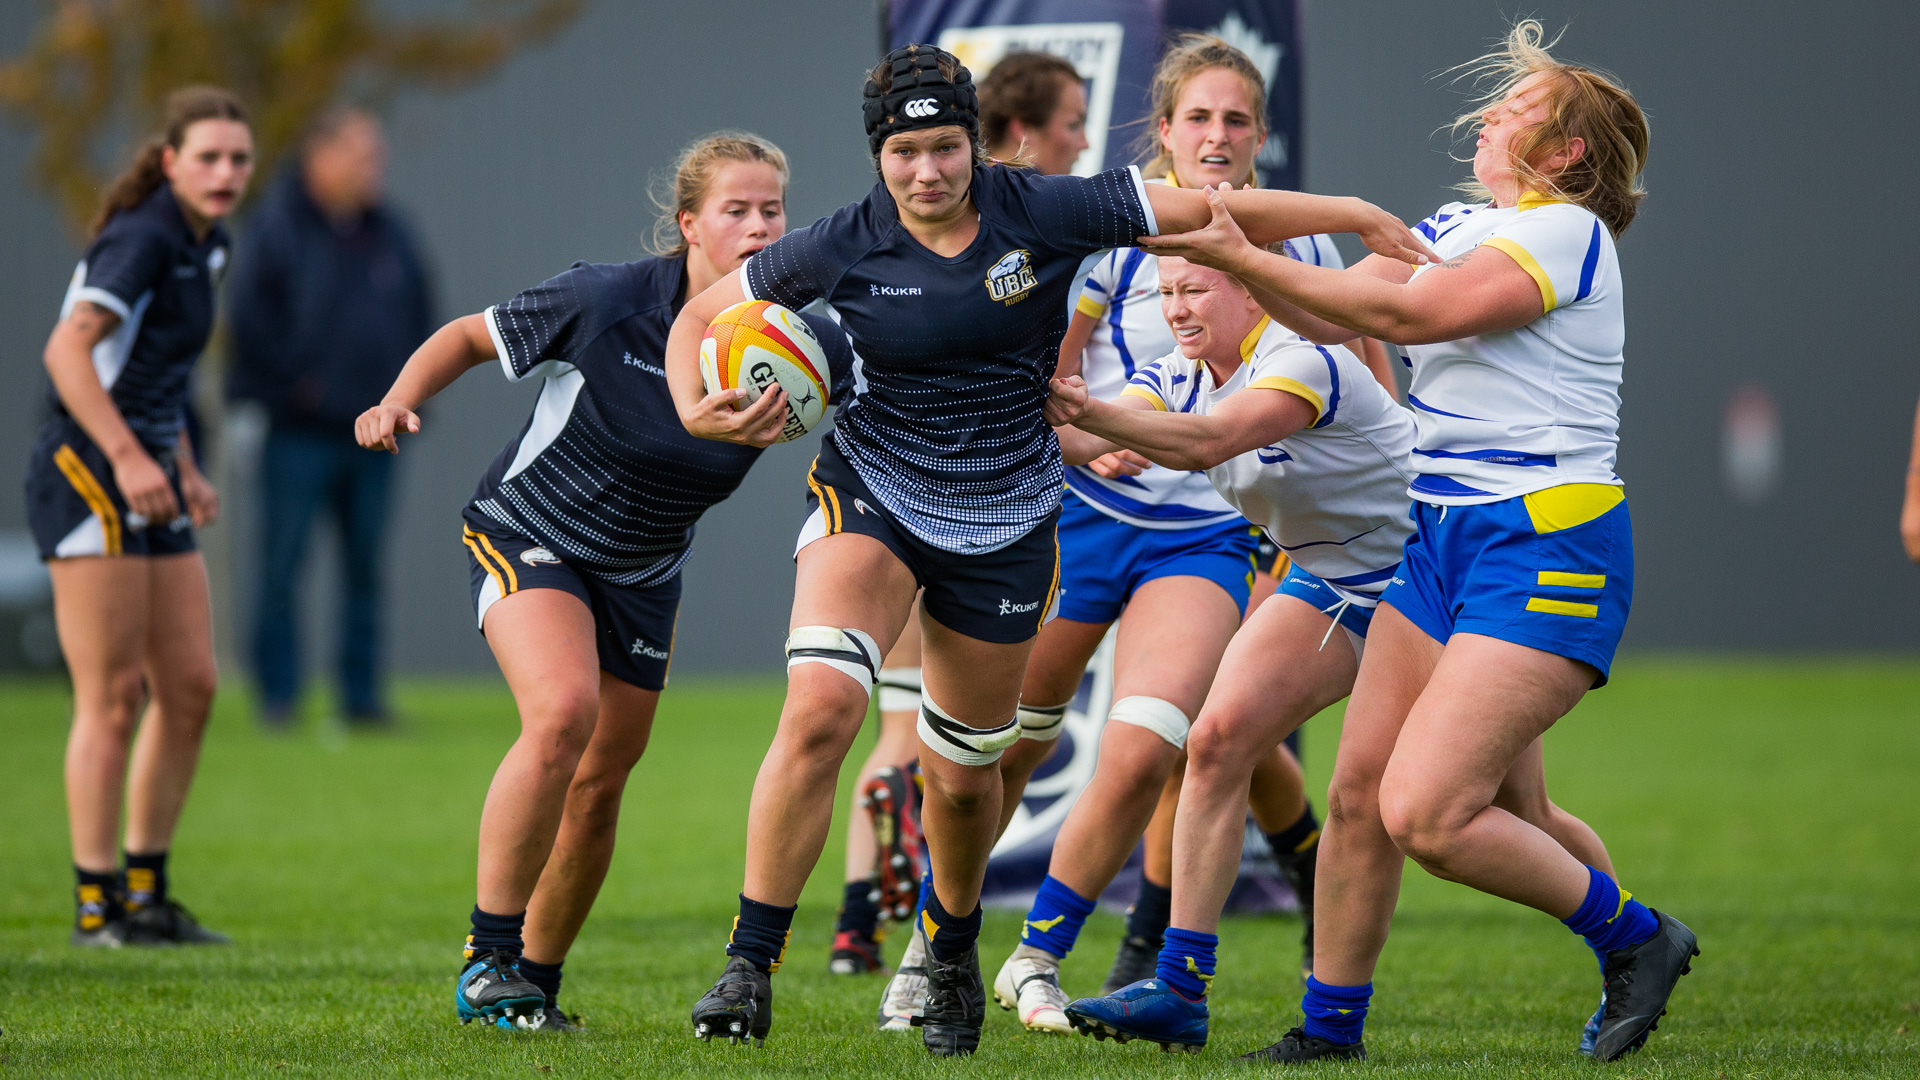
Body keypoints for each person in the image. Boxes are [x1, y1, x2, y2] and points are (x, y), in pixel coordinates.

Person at [665, 43, 1433, 1057]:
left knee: (965, 774)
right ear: (877, 155)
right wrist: (698, 408)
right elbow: (701, 315)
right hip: (877, 496)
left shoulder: (1045, 210)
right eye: (904, 152)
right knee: (819, 711)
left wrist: (1356, 215)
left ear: (973, 143)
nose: (927, 171)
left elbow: (1213, 215)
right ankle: (747, 964)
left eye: (945, 147)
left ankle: (949, 949)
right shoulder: (839, 244)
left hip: (1011, 522)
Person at [1136, 21, 1695, 1063]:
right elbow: (1353, 297)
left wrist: (1235, 252)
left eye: (1515, 111)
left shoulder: (1564, 231)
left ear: (1567, 153)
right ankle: (1330, 1031)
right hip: (1439, 537)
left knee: (1427, 814)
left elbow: (1414, 315)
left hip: (1546, 543)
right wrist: (1190, 230)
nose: (1489, 118)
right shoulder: (1465, 218)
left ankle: (1641, 938)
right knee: (1363, 799)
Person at [353, 132, 851, 1032]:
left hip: (644, 571)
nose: (756, 227)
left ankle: (532, 987)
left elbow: (898, 399)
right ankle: (485, 959)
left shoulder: (803, 332)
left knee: (602, 780)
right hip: (528, 532)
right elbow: (469, 335)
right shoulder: (610, 298)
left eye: (771, 210)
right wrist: (398, 397)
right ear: (689, 222)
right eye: (734, 210)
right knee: (561, 717)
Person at [982, 35, 1340, 1034]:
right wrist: (1089, 442)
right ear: (1165, 131)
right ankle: (938, 948)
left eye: (1237, 119)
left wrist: (1319, 530)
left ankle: (1088, 955)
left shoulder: (1303, 242)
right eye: (1199, 118)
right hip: (1092, 522)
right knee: (1012, 742)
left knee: (1172, 742)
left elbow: (1364, 380)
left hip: (1220, 534)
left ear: (1261, 134)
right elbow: (1054, 383)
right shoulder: (1109, 228)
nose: (1218, 136)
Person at [847, 44, 1086, 999]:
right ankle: (914, 939)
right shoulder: (1027, 217)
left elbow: (1067, 389)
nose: (1080, 137)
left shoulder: (1084, 221)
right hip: (934, 500)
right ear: (1018, 137)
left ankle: (900, 928)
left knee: (967, 750)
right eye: (1072, 121)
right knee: (921, 733)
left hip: (1036, 511)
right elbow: (1063, 385)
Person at [26, 86, 253, 947]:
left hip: (151, 473)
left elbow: (158, 372)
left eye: (238, 158)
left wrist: (183, 465)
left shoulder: (209, 243)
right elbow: (67, 349)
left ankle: (149, 893)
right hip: (87, 473)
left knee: (190, 687)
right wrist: (125, 457)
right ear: (169, 162)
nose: (226, 172)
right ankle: (98, 906)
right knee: (114, 696)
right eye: (208, 157)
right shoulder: (144, 237)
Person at [227, 106, 435, 728]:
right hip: (299, 433)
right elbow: (249, 324)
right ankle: (279, 697)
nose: (377, 166)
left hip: (376, 435)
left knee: (366, 571)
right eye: (363, 153)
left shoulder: (390, 232)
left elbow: (422, 316)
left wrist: (407, 396)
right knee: (283, 565)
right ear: (322, 156)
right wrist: (305, 390)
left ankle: (362, 698)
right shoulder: (278, 228)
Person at [979, 51, 1089, 175]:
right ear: (1025, 128)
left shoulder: (968, 189)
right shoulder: (1022, 191)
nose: (1085, 144)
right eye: (1073, 125)